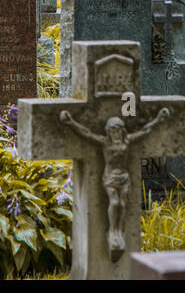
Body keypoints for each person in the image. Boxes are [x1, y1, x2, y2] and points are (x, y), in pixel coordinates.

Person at [58, 107, 173, 260]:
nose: (115, 133)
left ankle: (119, 230)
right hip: (110, 177)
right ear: (108, 132)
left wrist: (159, 119)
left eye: (118, 130)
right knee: (115, 202)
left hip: (124, 176)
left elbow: (145, 131)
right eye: (112, 131)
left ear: (122, 131)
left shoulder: (127, 141)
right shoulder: (105, 142)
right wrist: (71, 122)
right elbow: (87, 133)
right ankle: (113, 230)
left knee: (123, 204)